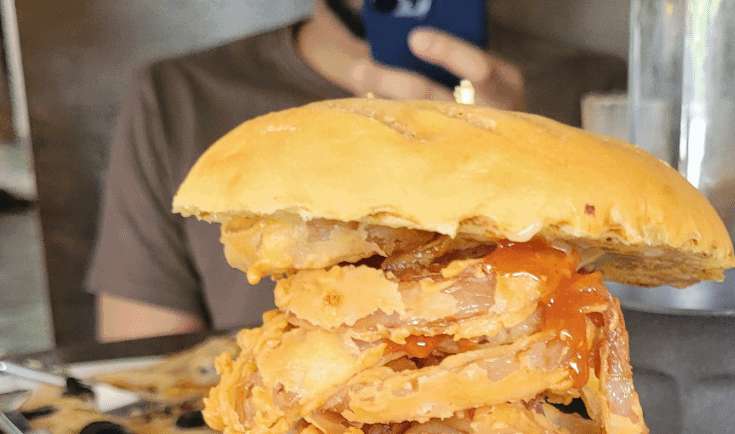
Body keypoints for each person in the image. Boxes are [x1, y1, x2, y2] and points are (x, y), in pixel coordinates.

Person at [85, 3, 623, 343]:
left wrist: (513, 165)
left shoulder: (603, 96)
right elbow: (149, 375)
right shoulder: (181, 98)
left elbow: (634, 357)